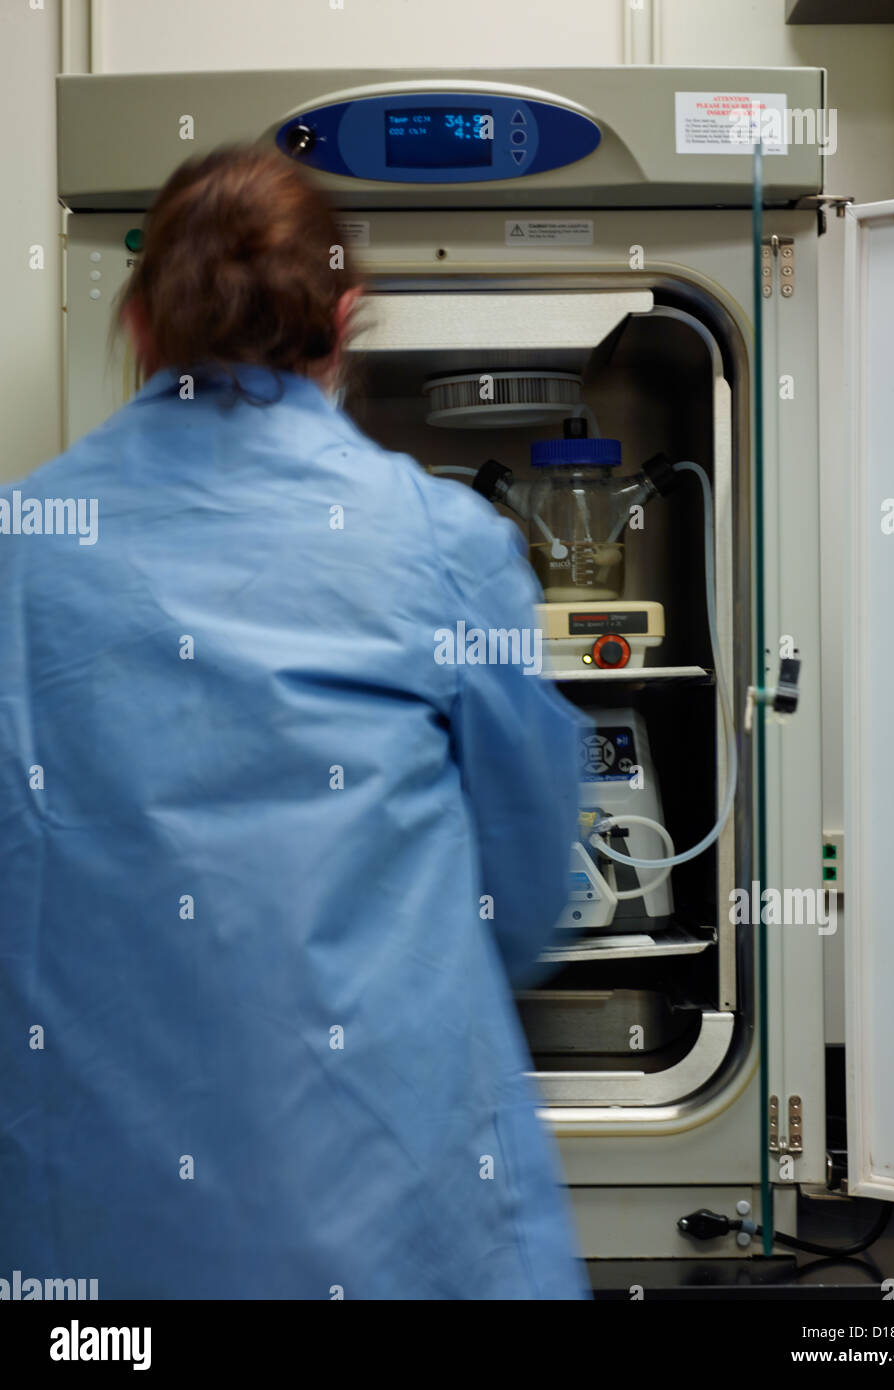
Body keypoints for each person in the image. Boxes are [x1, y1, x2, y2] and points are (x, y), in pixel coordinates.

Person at [0, 146, 589, 1300]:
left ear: (137, 322)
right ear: (345, 316)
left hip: (97, 1241)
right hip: (395, 1219)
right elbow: (517, 895)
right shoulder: (444, 544)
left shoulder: (22, 549)